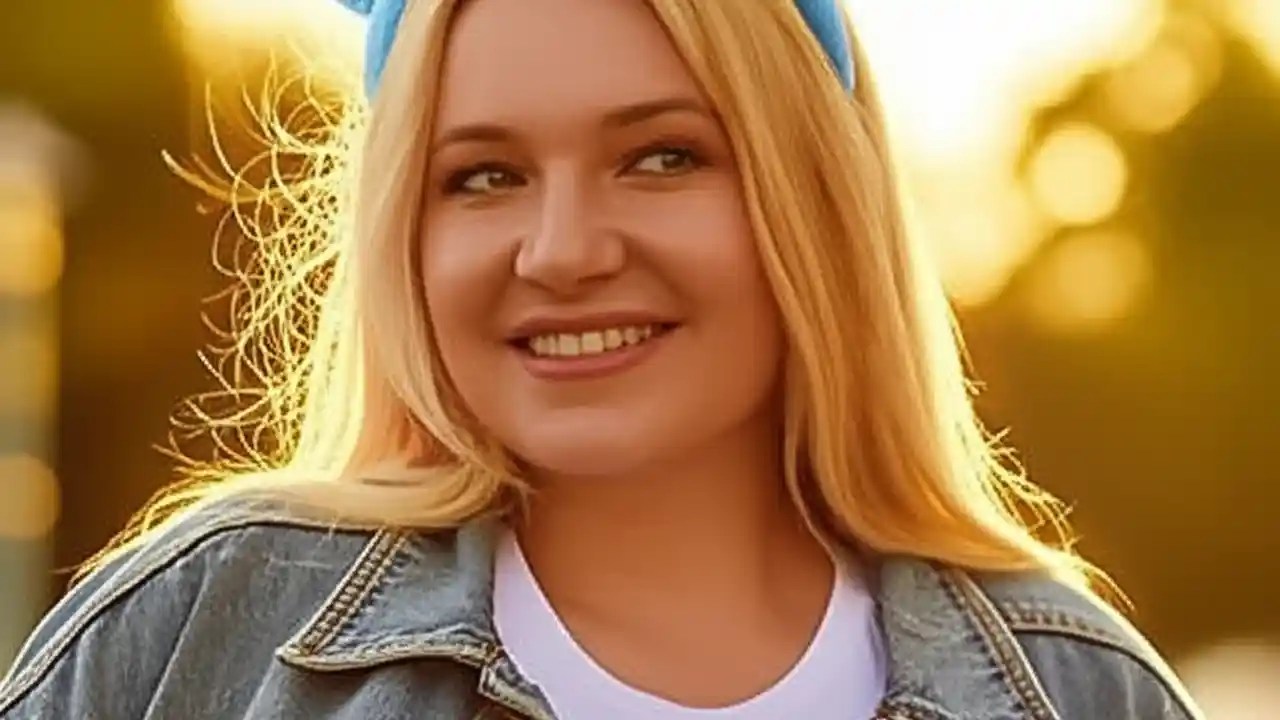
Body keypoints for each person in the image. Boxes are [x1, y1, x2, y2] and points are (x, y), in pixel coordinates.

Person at [0, 0, 1205, 717]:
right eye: (483, 177)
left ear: (815, 195)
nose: (563, 251)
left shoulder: (1073, 689)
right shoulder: (202, 629)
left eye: (661, 157)